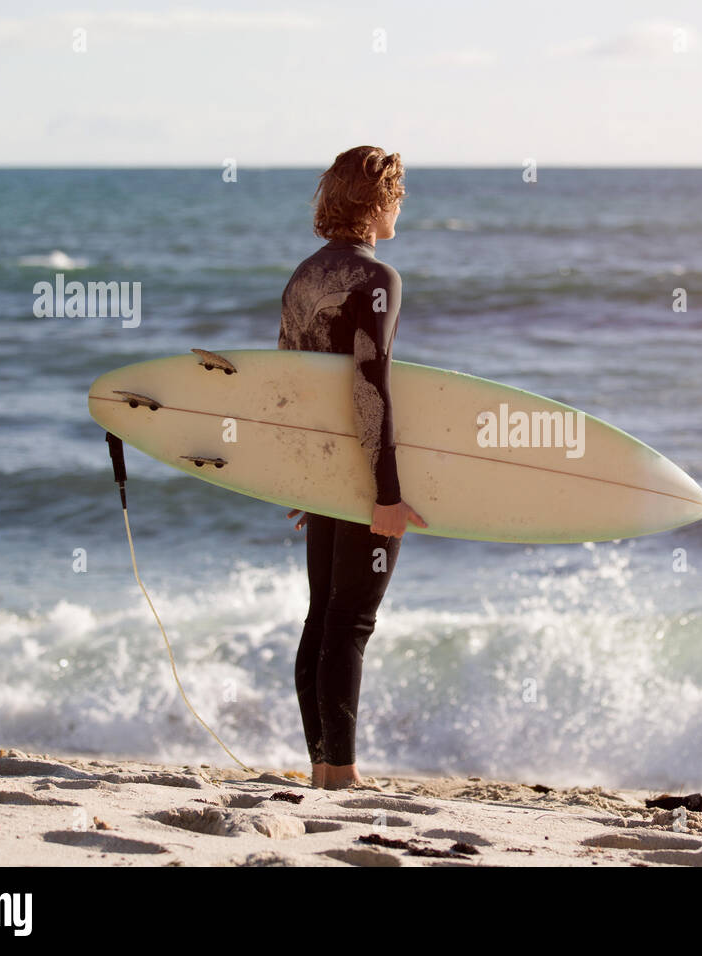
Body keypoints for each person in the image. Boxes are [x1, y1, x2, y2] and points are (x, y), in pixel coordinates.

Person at [278, 146, 427, 789]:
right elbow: (370, 384)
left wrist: (296, 476)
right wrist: (387, 495)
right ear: (377, 201)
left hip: (325, 474)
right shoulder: (377, 278)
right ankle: (340, 773)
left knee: (322, 618)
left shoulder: (303, 277)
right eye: (397, 193)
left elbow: (287, 386)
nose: (402, 204)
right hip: (364, 476)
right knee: (351, 624)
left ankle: (323, 765)